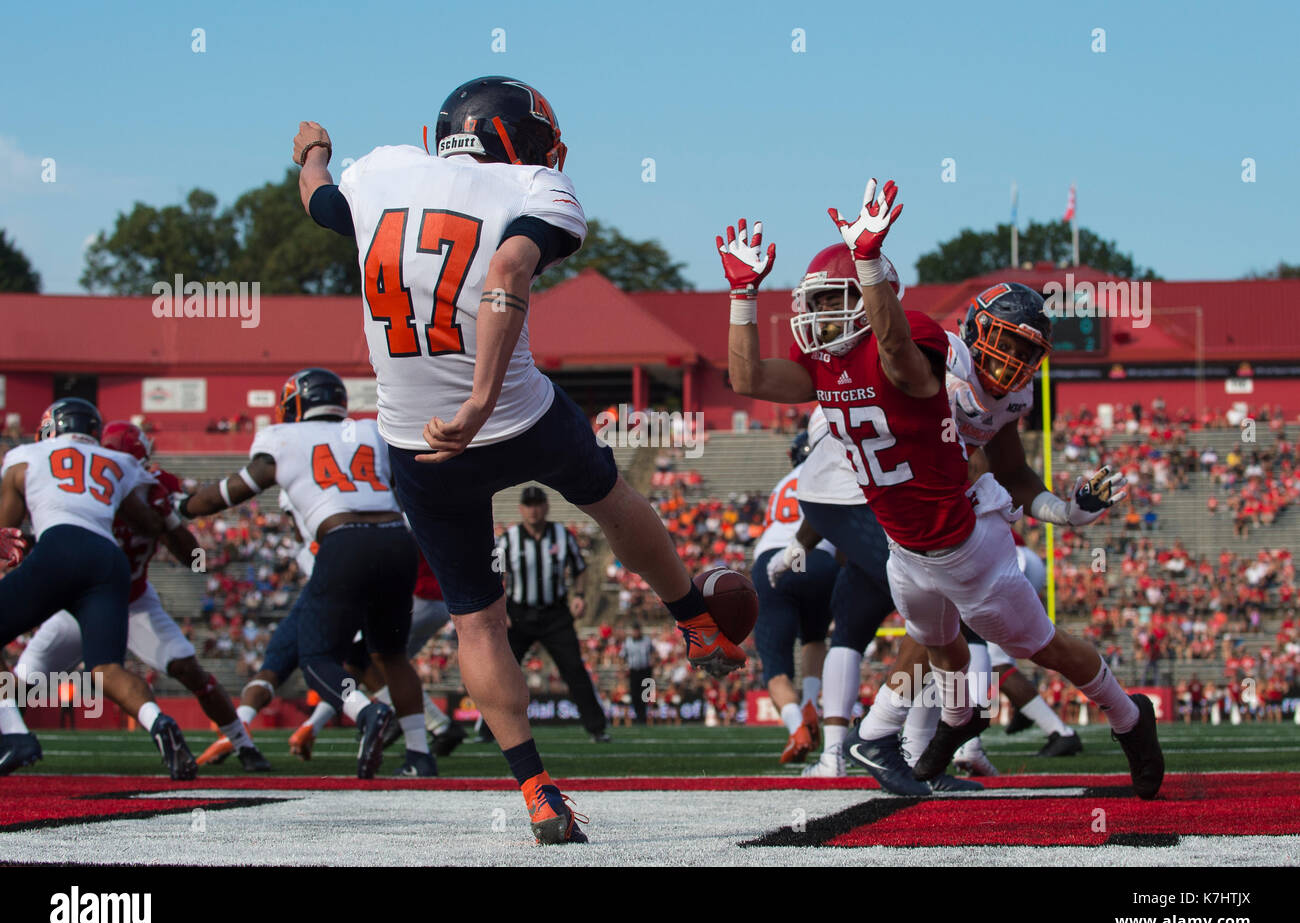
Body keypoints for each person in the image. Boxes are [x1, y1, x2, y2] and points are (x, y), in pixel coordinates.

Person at [293, 76, 737, 843]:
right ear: (515, 139)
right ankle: (695, 621)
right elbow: (507, 275)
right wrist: (478, 402)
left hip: (414, 439)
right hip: (515, 413)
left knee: (477, 619)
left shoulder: (380, 172)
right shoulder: (537, 184)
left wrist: (312, 152)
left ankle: (534, 788)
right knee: (610, 499)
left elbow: (319, 200)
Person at [719, 176, 1164, 799]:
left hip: (962, 541)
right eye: (817, 303)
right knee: (938, 653)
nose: (821, 316)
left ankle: (1126, 717)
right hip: (906, 544)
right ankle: (957, 723)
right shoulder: (829, 367)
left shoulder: (920, 348)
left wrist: (1064, 511)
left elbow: (904, 358)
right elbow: (744, 378)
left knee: (1045, 649)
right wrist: (743, 294)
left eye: (835, 300)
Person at [177, 369, 432, 778]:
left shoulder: (281, 437)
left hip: (344, 540)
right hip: (396, 540)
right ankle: (420, 755)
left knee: (315, 656)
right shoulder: (370, 430)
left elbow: (234, 491)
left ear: (295, 404)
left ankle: (366, 713)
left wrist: (184, 506)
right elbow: (404, 487)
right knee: (392, 656)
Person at [13, 421, 271, 772]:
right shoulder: (96, 488)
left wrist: (167, 520)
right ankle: (13, 742)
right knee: (23, 682)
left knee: (189, 671)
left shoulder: (153, 488)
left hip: (131, 600)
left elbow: (195, 560)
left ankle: (243, 744)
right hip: (81, 602)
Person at [0, 399, 198, 779]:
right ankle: (159, 724)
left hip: (58, 548)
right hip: (109, 562)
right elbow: (149, 524)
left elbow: (7, 538)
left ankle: (14, 735)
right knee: (106, 669)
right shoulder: (118, 463)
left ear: (50, 428)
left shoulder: (24, 456)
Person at [482, 486, 609, 743]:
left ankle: (597, 728)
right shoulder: (509, 540)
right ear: (521, 509)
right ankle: (488, 730)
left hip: (555, 614)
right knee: (502, 672)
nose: (534, 509)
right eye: (529, 505)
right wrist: (499, 609)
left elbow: (580, 569)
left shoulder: (562, 536)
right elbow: (494, 575)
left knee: (574, 668)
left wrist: (580, 596)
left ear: (546, 507)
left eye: (538, 504)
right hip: (518, 614)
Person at [752, 429, 835, 764]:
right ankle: (811, 700)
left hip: (774, 560)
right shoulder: (830, 472)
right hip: (820, 557)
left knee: (775, 664)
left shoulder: (780, 485)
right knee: (815, 637)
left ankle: (796, 728)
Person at [621, 624, 655, 725]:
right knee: (635, 694)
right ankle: (638, 716)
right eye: (634, 631)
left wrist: (653, 662)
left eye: (637, 630)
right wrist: (622, 668)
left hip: (645, 670)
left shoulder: (647, 640)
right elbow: (622, 655)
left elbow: (653, 652)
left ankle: (643, 717)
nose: (636, 633)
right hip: (633, 671)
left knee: (645, 694)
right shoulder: (628, 642)